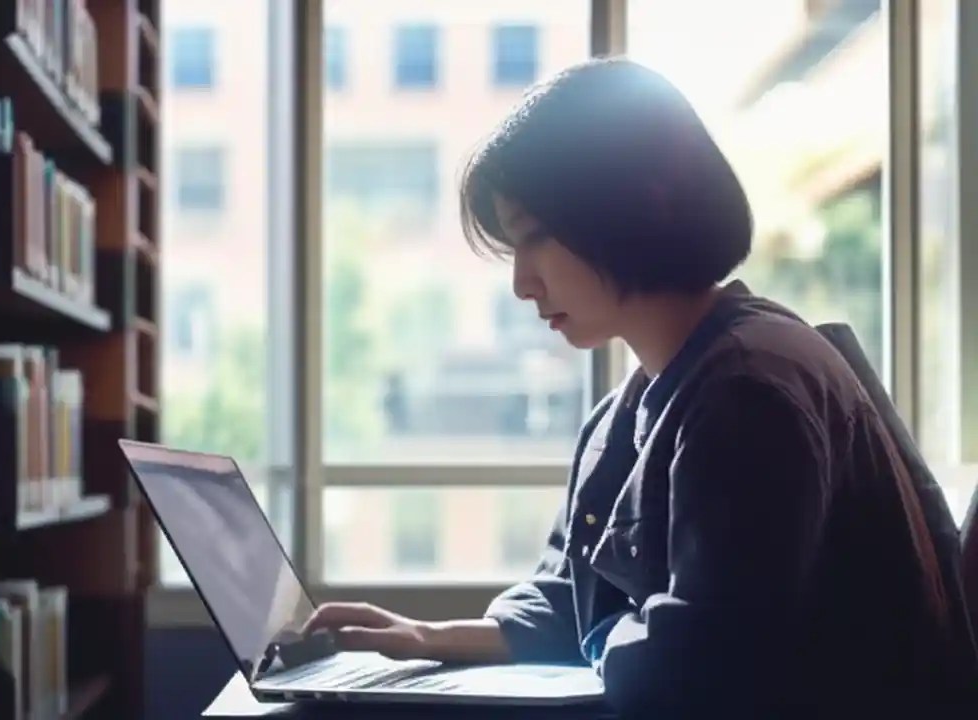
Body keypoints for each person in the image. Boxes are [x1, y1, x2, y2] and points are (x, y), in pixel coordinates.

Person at [301, 58, 978, 713]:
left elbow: (698, 666)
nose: (521, 283)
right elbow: (572, 598)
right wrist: (428, 639)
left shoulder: (749, 391)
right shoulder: (629, 411)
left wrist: (606, 636)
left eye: (534, 238)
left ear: (631, 208)